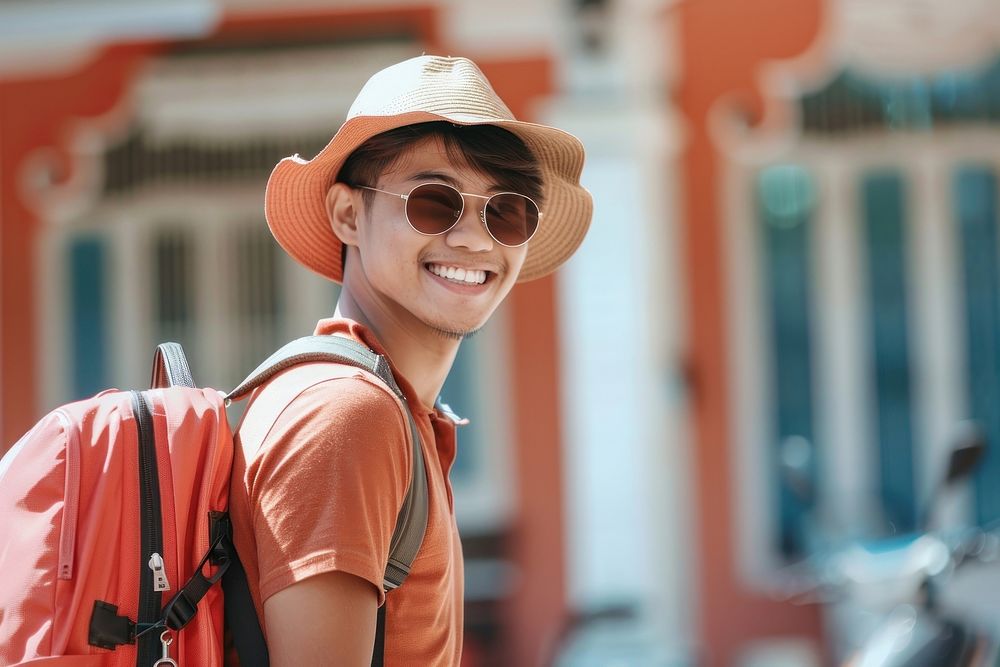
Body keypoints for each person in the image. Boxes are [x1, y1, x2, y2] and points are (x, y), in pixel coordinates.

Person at [227, 54, 592, 666]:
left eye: (506, 211)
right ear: (348, 214)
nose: (475, 239)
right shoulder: (347, 417)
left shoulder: (393, 412)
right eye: (433, 202)